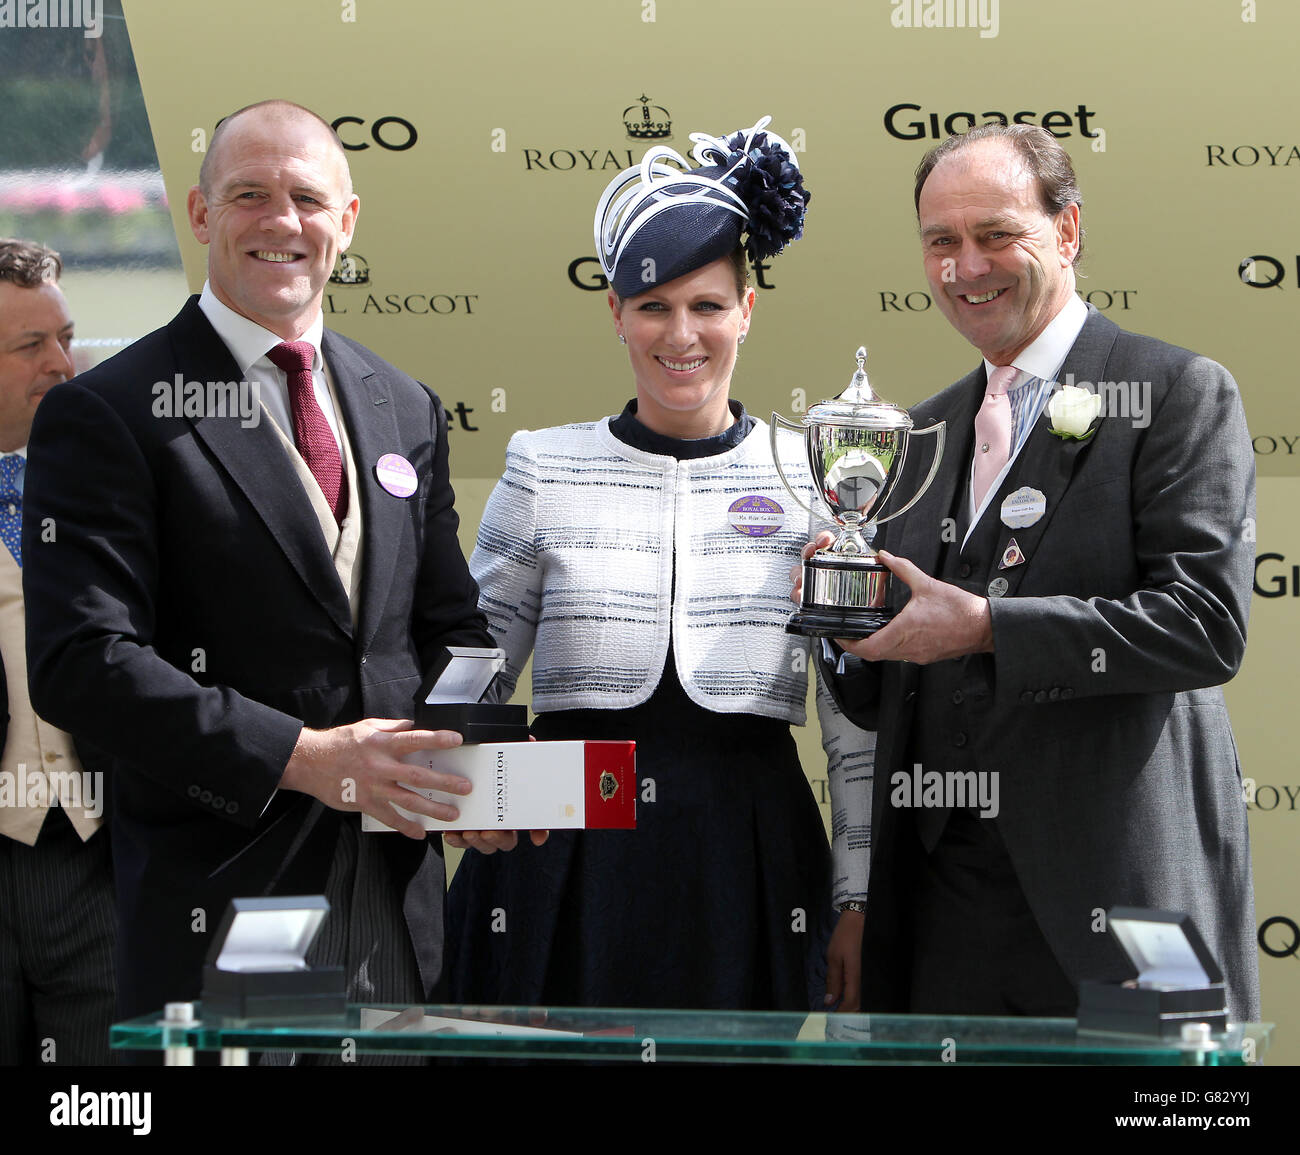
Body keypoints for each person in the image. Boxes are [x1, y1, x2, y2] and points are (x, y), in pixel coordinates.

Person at [22, 100, 528, 1033]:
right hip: (223, 904)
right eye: (250, 195)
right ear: (202, 214)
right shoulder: (112, 412)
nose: (281, 222)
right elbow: (82, 661)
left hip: (393, 900)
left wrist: (473, 774)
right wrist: (306, 759)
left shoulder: (403, 406)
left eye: (305, 197)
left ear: (348, 220)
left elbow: (448, 627)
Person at [807, 123, 1258, 1020]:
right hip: (944, 909)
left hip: (1128, 904)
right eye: (942, 242)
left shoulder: (1173, 392)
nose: (966, 266)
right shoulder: (921, 432)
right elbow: (896, 686)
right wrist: (851, 637)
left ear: (1069, 230)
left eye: (994, 234)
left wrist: (985, 626)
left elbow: (1206, 624)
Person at [447, 118, 873, 1011]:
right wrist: (485, 790)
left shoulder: (816, 475)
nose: (682, 334)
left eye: (708, 305)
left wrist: (856, 896)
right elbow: (469, 665)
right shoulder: (541, 464)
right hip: (559, 859)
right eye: (653, 306)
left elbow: (851, 728)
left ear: (746, 311)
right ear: (615, 313)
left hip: (746, 862)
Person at [0, 239, 116, 1064]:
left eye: (66, 338)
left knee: (102, 1096)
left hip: (99, 853)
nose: (63, 364)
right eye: (30, 346)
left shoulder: (116, 482)